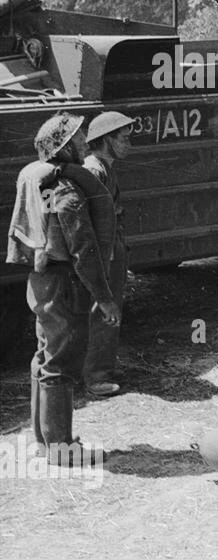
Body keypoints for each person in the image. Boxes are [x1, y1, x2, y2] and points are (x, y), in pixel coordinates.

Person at [6, 112, 119, 465]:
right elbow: (83, 250)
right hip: (64, 283)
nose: (85, 140)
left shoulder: (40, 180)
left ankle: (45, 440)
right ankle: (61, 449)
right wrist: (104, 297)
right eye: (78, 137)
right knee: (62, 361)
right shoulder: (68, 190)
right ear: (66, 146)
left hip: (41, 281)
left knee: (45, 355)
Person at [82, 111, 135, 397]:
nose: (129, 145)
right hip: (104, 250)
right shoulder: (95, 169)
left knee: (108, 309)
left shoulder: (104, 166)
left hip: (111, 247)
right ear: (106, 140)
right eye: (123, 139)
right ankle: (96, 377)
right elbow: (93, 218)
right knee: (103, 310)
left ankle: (103, 366)